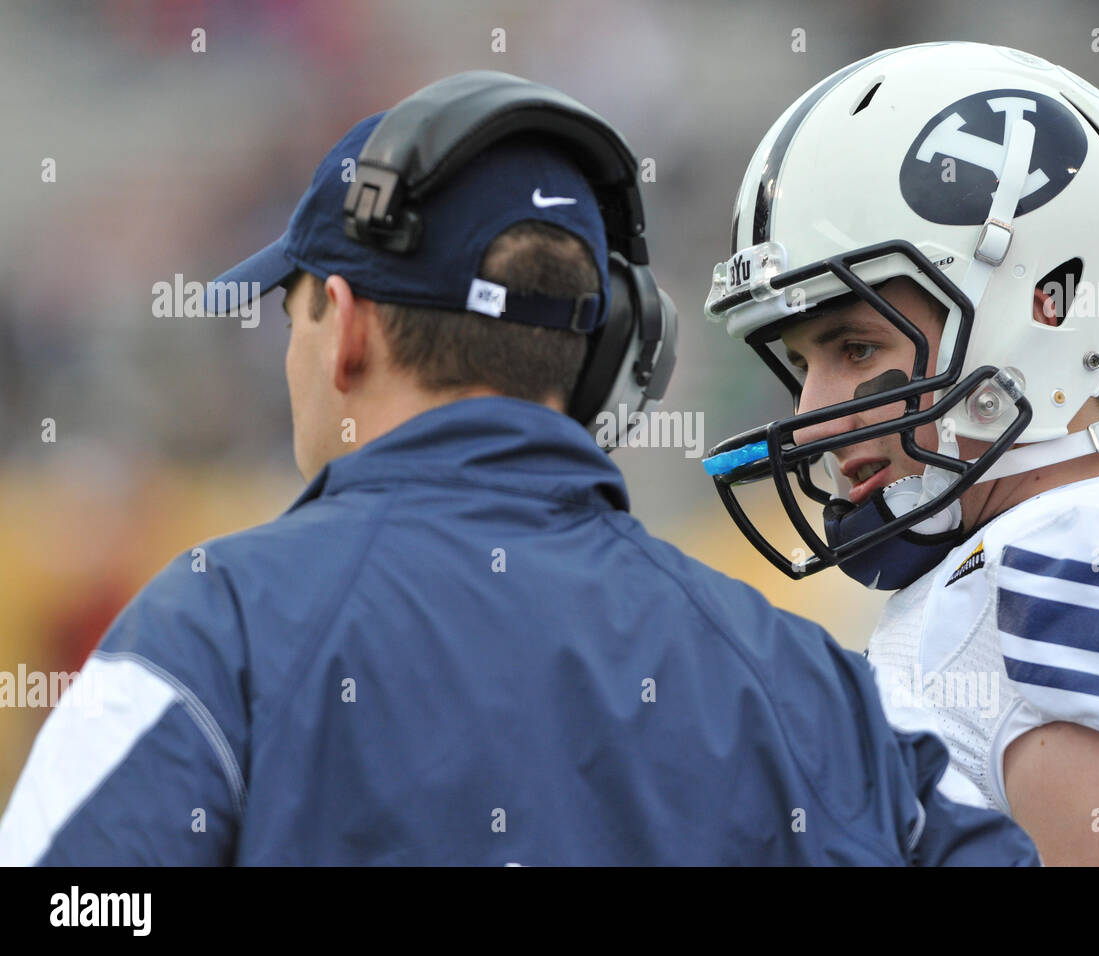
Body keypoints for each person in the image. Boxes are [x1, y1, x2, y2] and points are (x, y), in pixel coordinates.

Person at [0, 72, 1038, 865]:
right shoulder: (806, 682)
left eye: (295, 311)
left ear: (347, 328)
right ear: (603, 356)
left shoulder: (215, 627)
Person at [701, 42, 1099, 865]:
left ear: (1039, 308)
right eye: (803, 366)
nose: (808, 421)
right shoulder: (984, 584)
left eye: (855, 347)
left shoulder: (1079, 573)